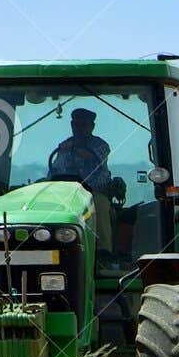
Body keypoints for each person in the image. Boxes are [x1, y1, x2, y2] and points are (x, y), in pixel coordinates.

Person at [49, 108, 116, 255]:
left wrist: (77, 150)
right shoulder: (64, 146)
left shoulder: (100, 145)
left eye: (83, 125)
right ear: (72, 125)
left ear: (92, 126)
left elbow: (99, 165)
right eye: (76, 125)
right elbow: (55, 169)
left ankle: (104, 251)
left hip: (92, 192)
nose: (79, 129)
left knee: (100, 204)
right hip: (64, 193)